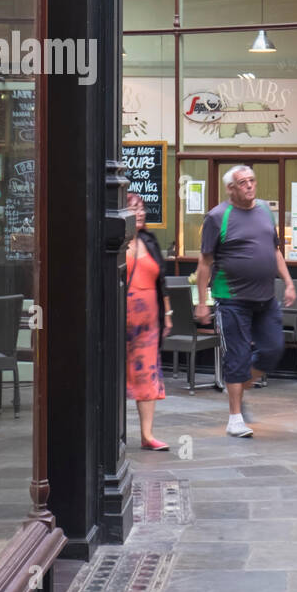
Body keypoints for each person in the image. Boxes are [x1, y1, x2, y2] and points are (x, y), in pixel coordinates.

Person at [195, 165, 297, 437]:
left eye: (252, 180)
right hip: (231, 300)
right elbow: (205, 262)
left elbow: (274, 250)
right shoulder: (217, 217)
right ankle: (235, 418)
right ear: (231, 188)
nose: (250, 186)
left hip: (265, 297)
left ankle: (241, 391)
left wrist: (288, 282)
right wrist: (202, 301)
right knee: (237, 357)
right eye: (243, 183)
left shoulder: (264, 210)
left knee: (273, 349)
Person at [125, 192, 171, 450]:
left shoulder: (149, 241)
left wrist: (168, 314)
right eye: (134, 208)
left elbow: (161, 280)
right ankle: (111, 433)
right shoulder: (114, 245)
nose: (140, 213)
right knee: (114, 375)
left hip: (149, 325)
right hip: (121, 322)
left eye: (141, 208)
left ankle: (147, 435)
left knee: (148, 375)